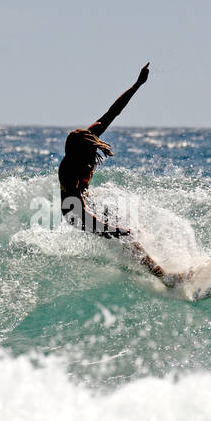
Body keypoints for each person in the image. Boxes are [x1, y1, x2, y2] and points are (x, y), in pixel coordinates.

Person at [58, 62, 174, 283]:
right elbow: (78, 214)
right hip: (75, 213)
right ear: (79, 154)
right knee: (125, 235)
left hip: (87, 202)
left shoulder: (87, 138)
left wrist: (138, 84)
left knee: (127, 225)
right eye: (90, 153)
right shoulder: (69, 171)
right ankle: (164, 277)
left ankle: (149, 261)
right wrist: (115, 231)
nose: (94, 155)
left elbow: (114, 111)